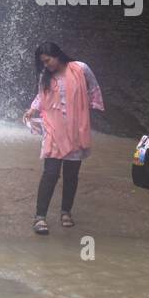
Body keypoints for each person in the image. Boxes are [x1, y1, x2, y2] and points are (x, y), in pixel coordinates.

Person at [22, 41, 104, 234]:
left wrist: (88, 108)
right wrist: (33, 109)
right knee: (50, 173)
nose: (46, 65)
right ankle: (40, 217)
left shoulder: (81, 68)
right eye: (42, 62)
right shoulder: (46, 75)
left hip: (76, 129)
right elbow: (41, 96)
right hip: (53, 128)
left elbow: (93, 87)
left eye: (47, 60)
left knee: (71, 174)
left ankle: (66, 212)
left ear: (57, 55)